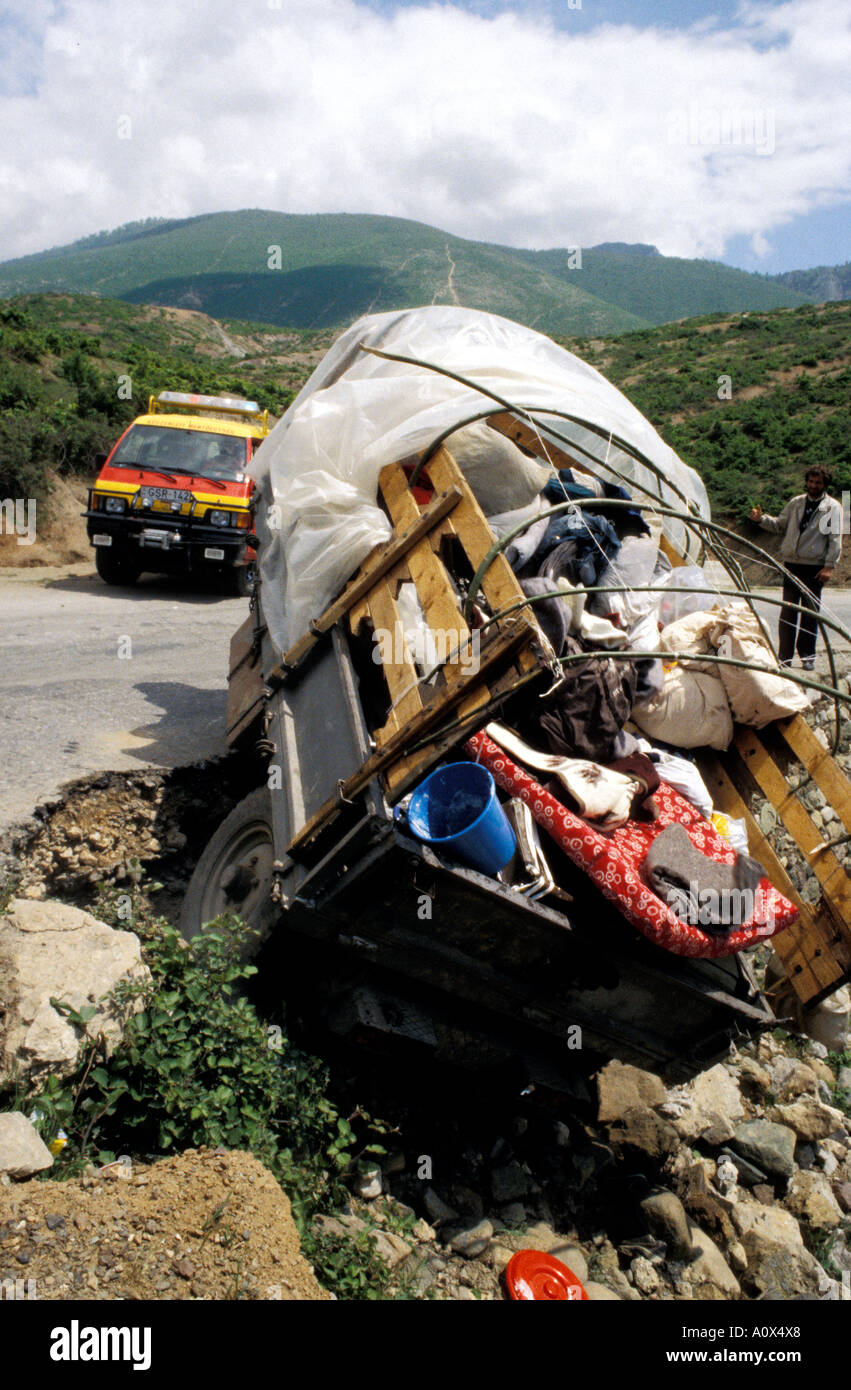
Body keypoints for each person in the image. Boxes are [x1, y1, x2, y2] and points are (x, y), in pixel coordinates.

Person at [750, 466, 843, 670]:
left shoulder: (832, 507)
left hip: (815, 568)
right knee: (789, 611)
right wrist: (761, 519)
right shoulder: (797, 503)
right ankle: (784, 656)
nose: (813, 486)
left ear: (824, 485)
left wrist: (829, 566)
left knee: (810, 613)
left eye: (818, 483)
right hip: (792, 565)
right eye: (810, 481)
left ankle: (807, 655)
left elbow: (834, 539)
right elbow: (780, 525)